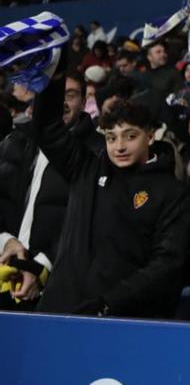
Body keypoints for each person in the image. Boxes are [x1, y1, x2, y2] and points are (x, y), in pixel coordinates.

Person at [19, 84, 188, 318]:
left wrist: (110, 302)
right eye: (111, 138)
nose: (119, 146)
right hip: (58, 309)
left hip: (120, 320)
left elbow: (166, 263)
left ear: (149, 136)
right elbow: (47, 129)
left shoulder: (170, 192)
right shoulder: (85, 168)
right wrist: (52, 74)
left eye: (130, 136)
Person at [0, 71, 101, 308]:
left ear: (84, 100)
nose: (61, 103)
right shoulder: (15, 141)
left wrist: (42, 265)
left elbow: (86, 222)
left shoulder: (97, 152)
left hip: (54, 287)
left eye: (71, 95)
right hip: (6, 270)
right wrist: (7, 242)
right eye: (54, 95)